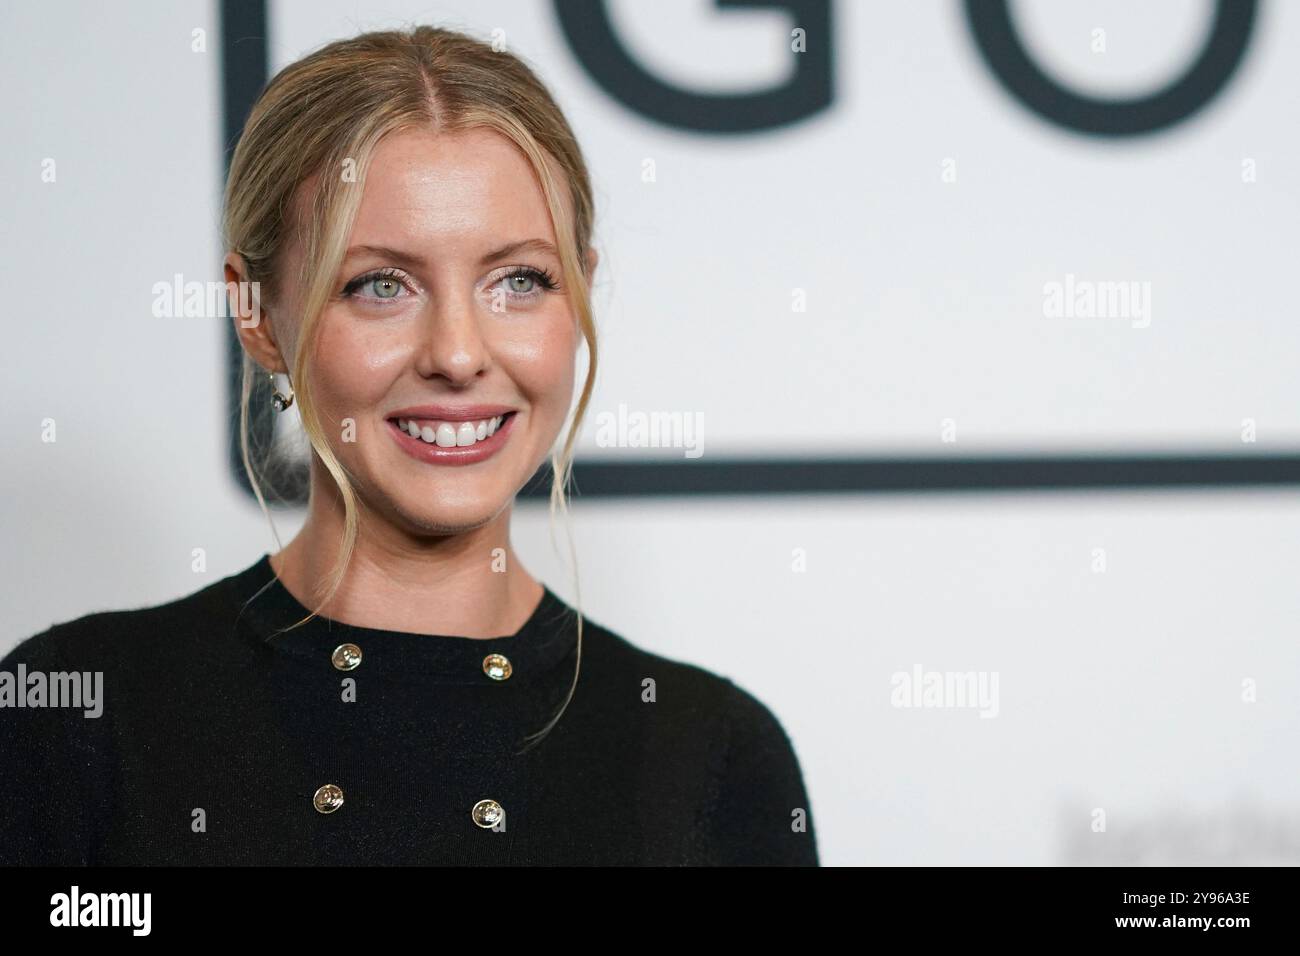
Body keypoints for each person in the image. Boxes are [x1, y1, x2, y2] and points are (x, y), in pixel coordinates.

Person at [0, 25, 818, 866]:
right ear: (255, 315)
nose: (458, 354)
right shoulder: (78, 714)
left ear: (579, 294)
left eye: (519, 281)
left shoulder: (711, 755)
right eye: (380, 285)